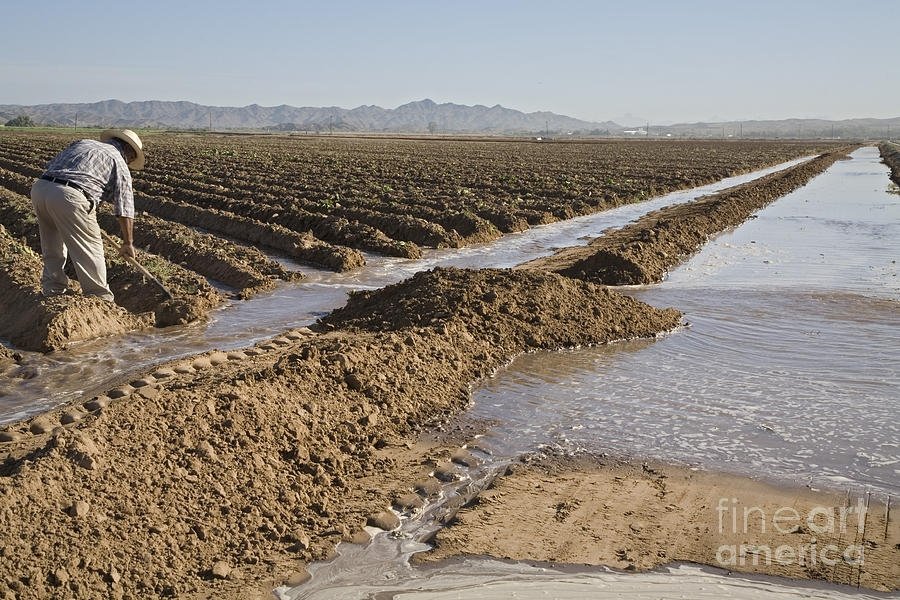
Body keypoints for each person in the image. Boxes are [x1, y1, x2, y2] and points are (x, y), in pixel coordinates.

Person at [30, 129, 145, 303]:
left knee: (52, 244)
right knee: (90, 248)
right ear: (129, 151)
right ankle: (100, 298)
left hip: (41, 188)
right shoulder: (119, 161)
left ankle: (52, 291)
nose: (129, 162)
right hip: (69, 196)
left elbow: (53, 166)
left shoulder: (82, 143)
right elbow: (125, 206)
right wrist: (128, 243)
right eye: (131, 159)